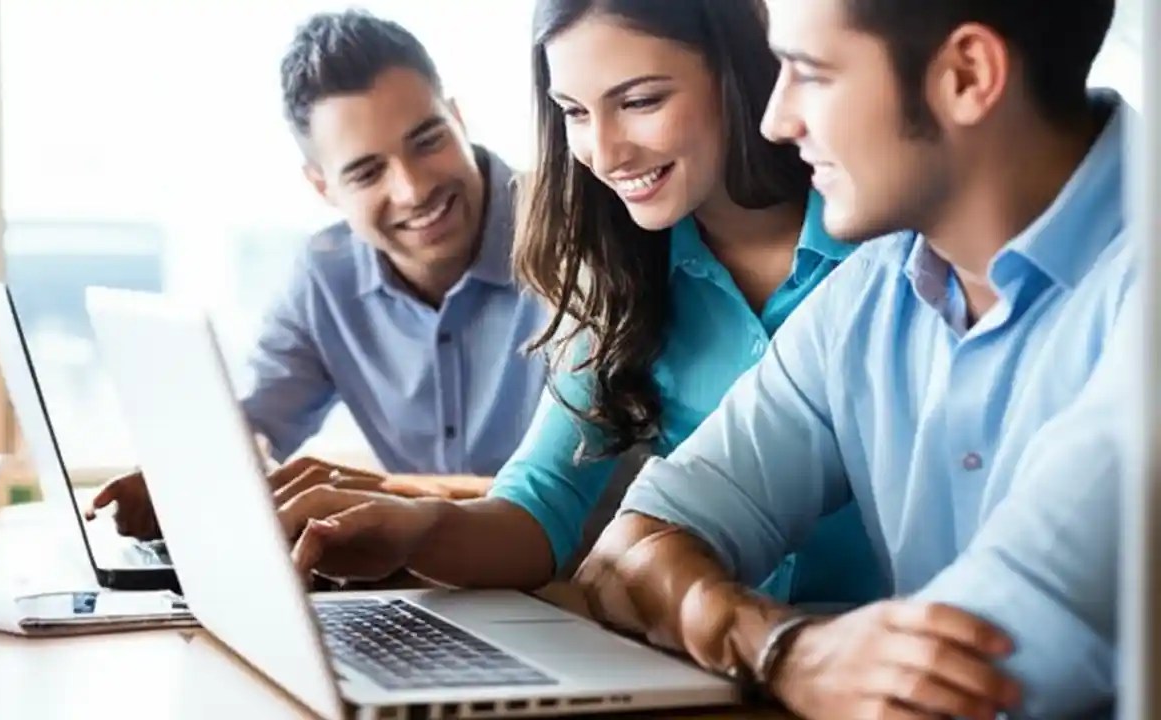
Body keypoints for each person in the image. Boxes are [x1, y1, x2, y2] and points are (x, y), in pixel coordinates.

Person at [573, 0, 1130, 717]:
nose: (777, 120)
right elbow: (626, 557)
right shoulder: (869, 295)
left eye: (809, 73)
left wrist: (759, 639)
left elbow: (968, 678)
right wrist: (782, 648)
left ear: (967, 75)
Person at [274, 0, 885, 605]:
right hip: (724, 666)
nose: (606, 152)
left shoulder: (884, 244)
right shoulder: (621, 274)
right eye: (574, 112)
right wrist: (413, 529)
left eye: (641, 101)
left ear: (735, 73)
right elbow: (538, 508)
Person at [85, 10, 549, 539]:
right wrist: (189, 478)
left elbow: (568, 491)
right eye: (367, 171)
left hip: (577, 581)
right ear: (323, 188)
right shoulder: (325, 279)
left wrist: (382, 494)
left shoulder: (574, 235)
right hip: (439, 589)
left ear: (459, 121)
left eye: (427, 141)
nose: (413, 189)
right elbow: (257, 425)